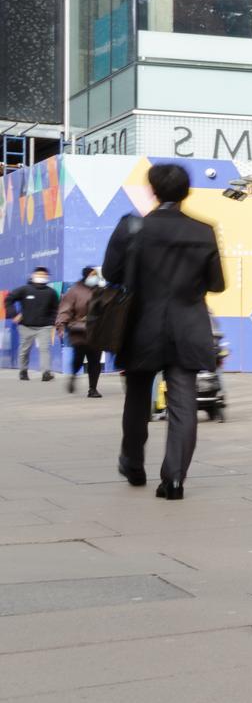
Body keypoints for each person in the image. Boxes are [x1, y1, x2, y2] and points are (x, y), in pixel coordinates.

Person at [105, 163, 225, 500]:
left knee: (137, 398)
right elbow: (217, 283)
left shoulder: (133, 228)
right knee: (184, 404)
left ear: (153, 190)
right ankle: (174, 480)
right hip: (188, 326)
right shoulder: (204, 230)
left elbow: (112, 273)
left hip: (141, 324)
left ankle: (132, 463)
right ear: (186, 192)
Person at [53, 266, 106, 396]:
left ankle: (93, 389)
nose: (94, 277)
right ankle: (73, 375)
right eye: (92, 275)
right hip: (79, 332)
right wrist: (61, 325)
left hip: (96, 332)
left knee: (95, 361)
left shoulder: (101, 290)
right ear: (86, 276)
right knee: (78, 359)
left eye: (95, 275)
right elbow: (65, 309)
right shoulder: (74, 291)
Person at [6, 267, 60, 381]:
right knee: (24, 350)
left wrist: (53, 322)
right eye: (38, 274)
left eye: (43, 275)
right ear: (33, 275)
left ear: (47, 277)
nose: (41, 277)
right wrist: (13, 314)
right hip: (26, 325)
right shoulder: (25, 290)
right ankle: (23, 371)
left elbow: (56, 308)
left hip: (45, 326)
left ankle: (46, 373)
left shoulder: (51, 292)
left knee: (45, 349)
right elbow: (9, 299)